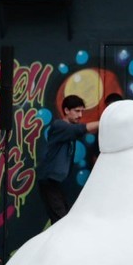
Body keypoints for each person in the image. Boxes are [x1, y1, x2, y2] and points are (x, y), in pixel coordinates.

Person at [38, 95, 99, 223]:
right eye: (77, 111)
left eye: (82, 111)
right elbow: (82, 129)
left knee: (63, 218)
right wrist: (105, 121)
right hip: (49, 180)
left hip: (57, 182)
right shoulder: (60, 125)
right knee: (61, 220)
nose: (80, 115)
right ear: (66, 110)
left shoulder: (68, 129)